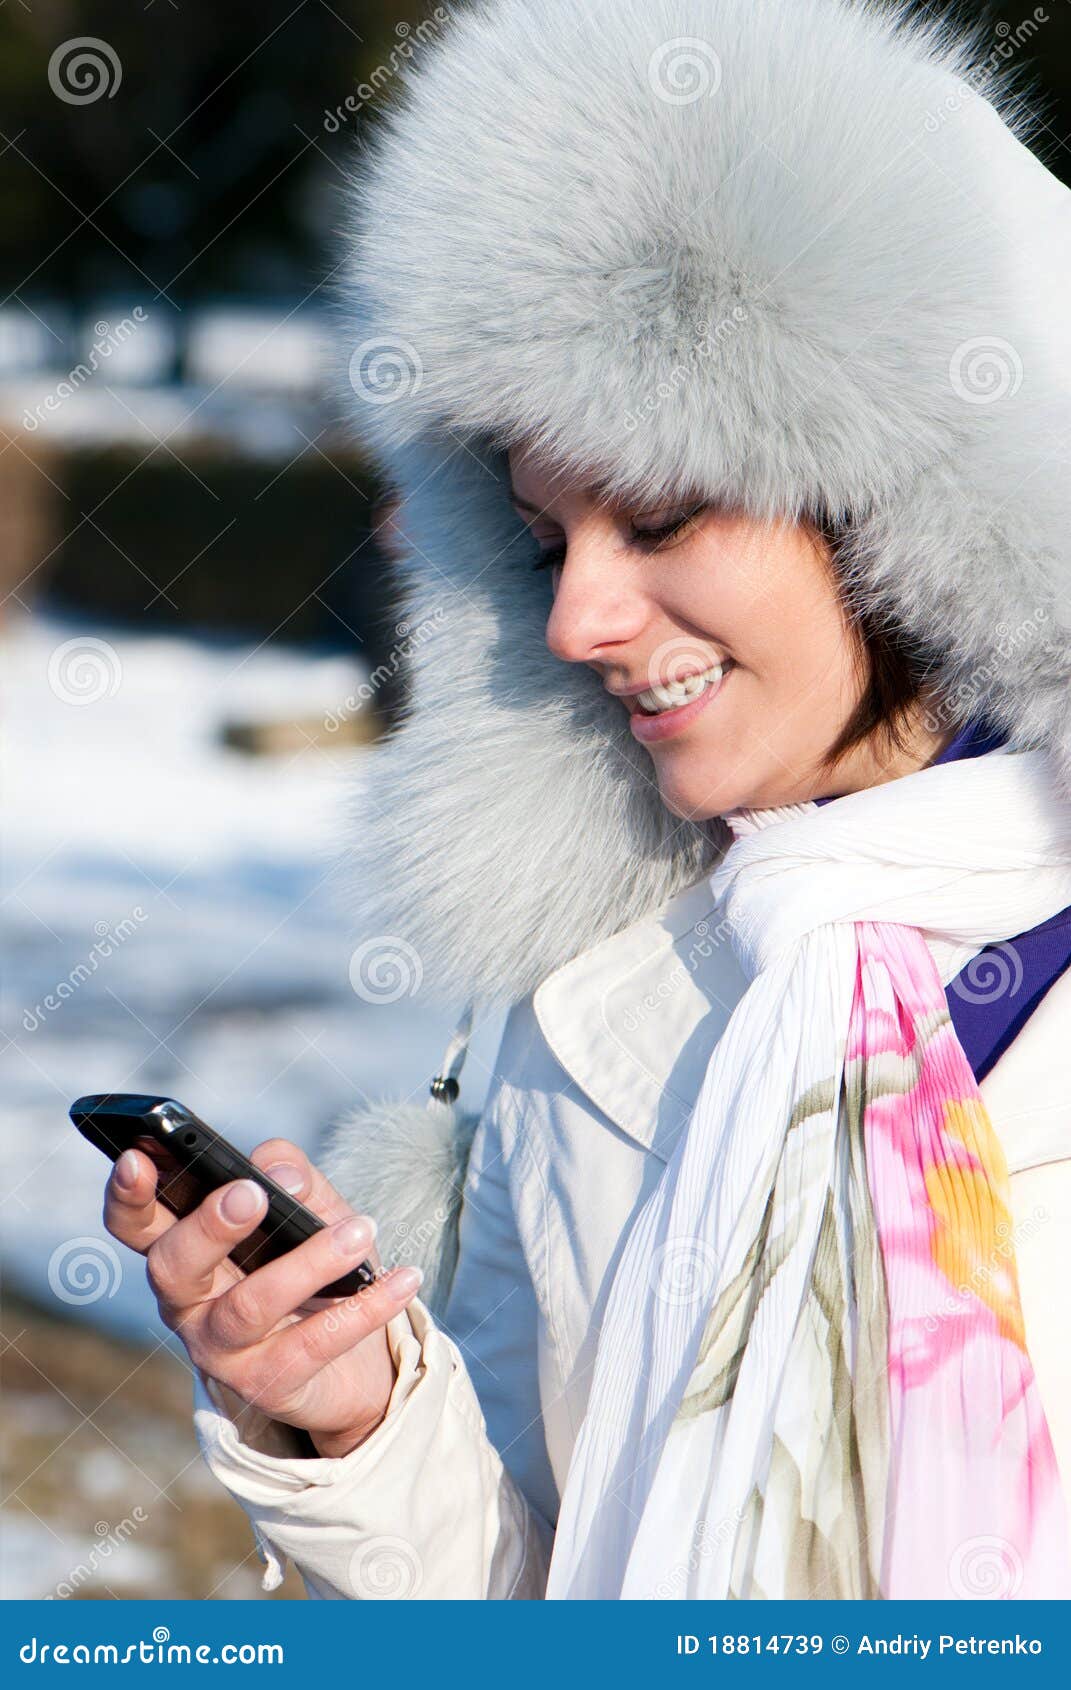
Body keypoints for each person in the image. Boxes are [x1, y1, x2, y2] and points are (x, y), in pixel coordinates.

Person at [103, 0, 1071, 1599]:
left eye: (664, 512)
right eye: (548, 541)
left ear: (914, 487)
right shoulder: (580, 1000)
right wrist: (353, 1430)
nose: (576, 620)